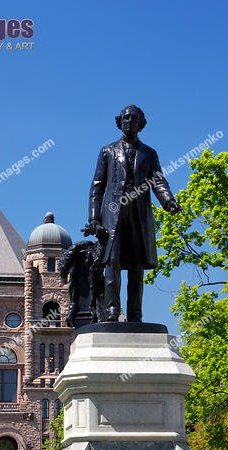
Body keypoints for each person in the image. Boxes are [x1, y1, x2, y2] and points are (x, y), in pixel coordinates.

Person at [85, 105, 182, 322]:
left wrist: (169, 201)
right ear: (120, 122)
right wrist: (94, 218)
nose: (129, 121)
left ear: (141, 123)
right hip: (113, 215)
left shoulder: (149, 153)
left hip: (138, 215)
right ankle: (112, 310)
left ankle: (135, 313)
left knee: (137, 265)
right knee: (113, 261)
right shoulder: (107, 151)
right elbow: (97, 186)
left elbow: (158, 181)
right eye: (126, 118)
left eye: (134, 118)